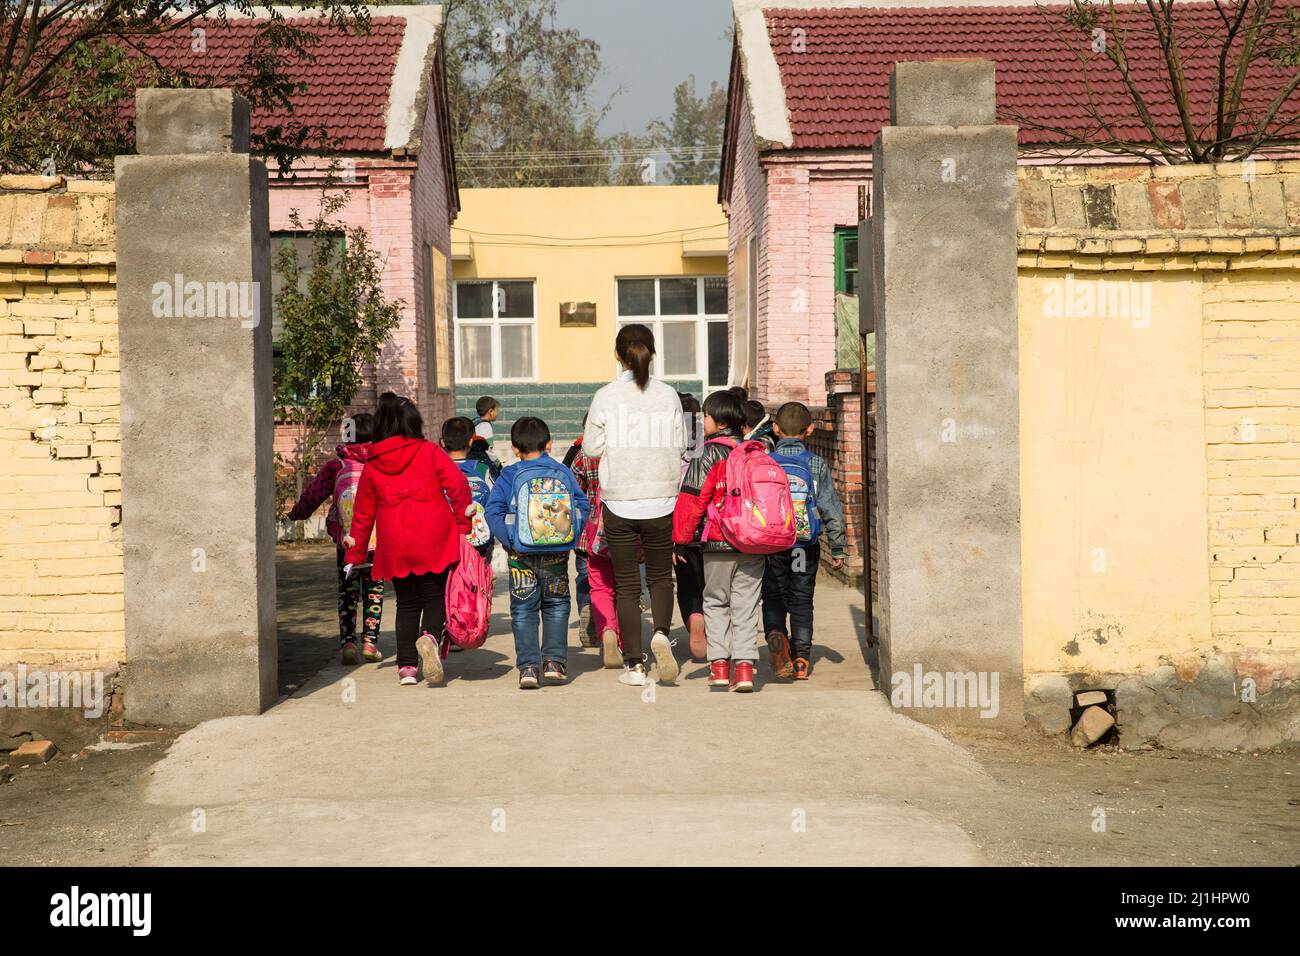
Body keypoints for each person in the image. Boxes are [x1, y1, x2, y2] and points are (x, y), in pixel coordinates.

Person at [343, 393, 471, 687]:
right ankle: (428, 637)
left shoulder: (372, 464)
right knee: (434, 596)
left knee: (407, 603)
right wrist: (462, 524)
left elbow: (362, 514)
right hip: (434, 537)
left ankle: (406, 668)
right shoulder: (429, 452)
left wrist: (355, 555)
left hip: (395, 542)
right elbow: (458, 485)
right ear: (414, 422)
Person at [584, 324, 686, 687]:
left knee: (627, 586)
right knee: (661, 578)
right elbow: (682, 444)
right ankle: (661, 633)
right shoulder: (669, 395)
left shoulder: (606, 396)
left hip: (620, 502)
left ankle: (635, 666)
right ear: (652, 352)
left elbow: (592, 449)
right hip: (662, 501)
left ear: (617, 354)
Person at [484, 416, 589, 690]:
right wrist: (570, 535)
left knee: (523, 608)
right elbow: (582, 505)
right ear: (550, 445)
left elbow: (492, 511)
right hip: (556, 553)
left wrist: (510, 540)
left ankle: (529, 668)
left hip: (521, 554)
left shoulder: (510, 474)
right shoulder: (562, 472)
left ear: (515, 449)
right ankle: (554, 662)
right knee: (556, 604)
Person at [672, 389, 760, 692]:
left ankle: (720, 667)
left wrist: (680, 540)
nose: (702, 421)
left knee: (715, 602)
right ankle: (746, 670)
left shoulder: (707, 453)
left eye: (706, 416)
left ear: (721, 423)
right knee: (746, 606)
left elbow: (692, 499)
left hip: (718, 543)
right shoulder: (755, 452)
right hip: (753, 543)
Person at [287, 412, 384, 665]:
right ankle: (370, 643)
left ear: (346, 435)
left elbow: (313, 495)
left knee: (347, 593)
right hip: (376, 543)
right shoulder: (381, 465)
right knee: (374, 592)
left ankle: (348, 643)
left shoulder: (335, 467)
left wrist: (297, 514)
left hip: (346, 543)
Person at [763, 402, 848, 680]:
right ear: (810, 429)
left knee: (773, 597)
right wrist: (837, 548)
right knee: (801, 600)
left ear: (775, 429)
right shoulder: (815, 464)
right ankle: (801, 660)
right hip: (804, 545)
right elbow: (831, 508)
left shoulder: (764, 462)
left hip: (771, 544)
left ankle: (776, 635)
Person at [570, 435, 622, 666]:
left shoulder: (585, 454)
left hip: (592, 533)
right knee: (625, 587)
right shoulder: (628, 450)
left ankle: (601, 625)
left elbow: (573, 490)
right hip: (627, 528)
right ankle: (621, 637)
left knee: (594, 584)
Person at [674, 393, 706, 659]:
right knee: (712, 584)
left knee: (686, 582)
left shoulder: (667, 445)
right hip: (711, 527)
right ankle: (711, 625)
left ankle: (694, 617)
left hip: (680, 526)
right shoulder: (710, 446)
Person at [439, 416, 495, 563]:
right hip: (478, 542)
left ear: (442, 443)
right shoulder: (482, 469)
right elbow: (493, 501)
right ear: (471, 441)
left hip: (445, 543)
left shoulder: (436, 470)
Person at [563, 414, 594, 646]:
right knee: (613, 579)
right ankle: (609, 623)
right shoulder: (620, 452)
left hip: (584, 530)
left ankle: (586, 607)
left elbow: (569, 489)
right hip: (617, 527)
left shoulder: (578, 453)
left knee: (584, 573)